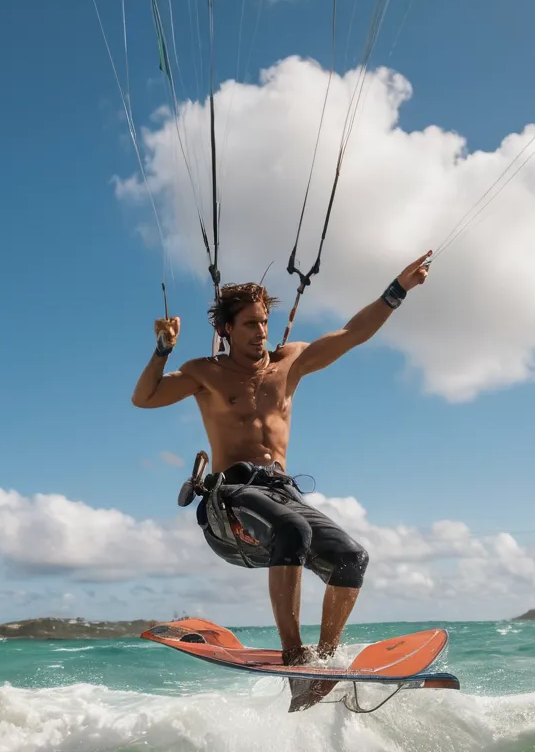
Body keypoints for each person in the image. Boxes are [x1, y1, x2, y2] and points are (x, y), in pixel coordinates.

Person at [131, 252, 431, 710]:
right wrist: (162, 349)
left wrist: (399, 289)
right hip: (231, 496)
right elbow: (145, 398)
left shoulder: (289, 363)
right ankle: (295, 655)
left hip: (280, 491)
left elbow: (352, 334)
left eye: (264, 322)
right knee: (294, 530)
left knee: (352, 557)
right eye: (250, 324)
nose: (261, 332)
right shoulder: (205, 373)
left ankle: (322, 664)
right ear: (227, 329)